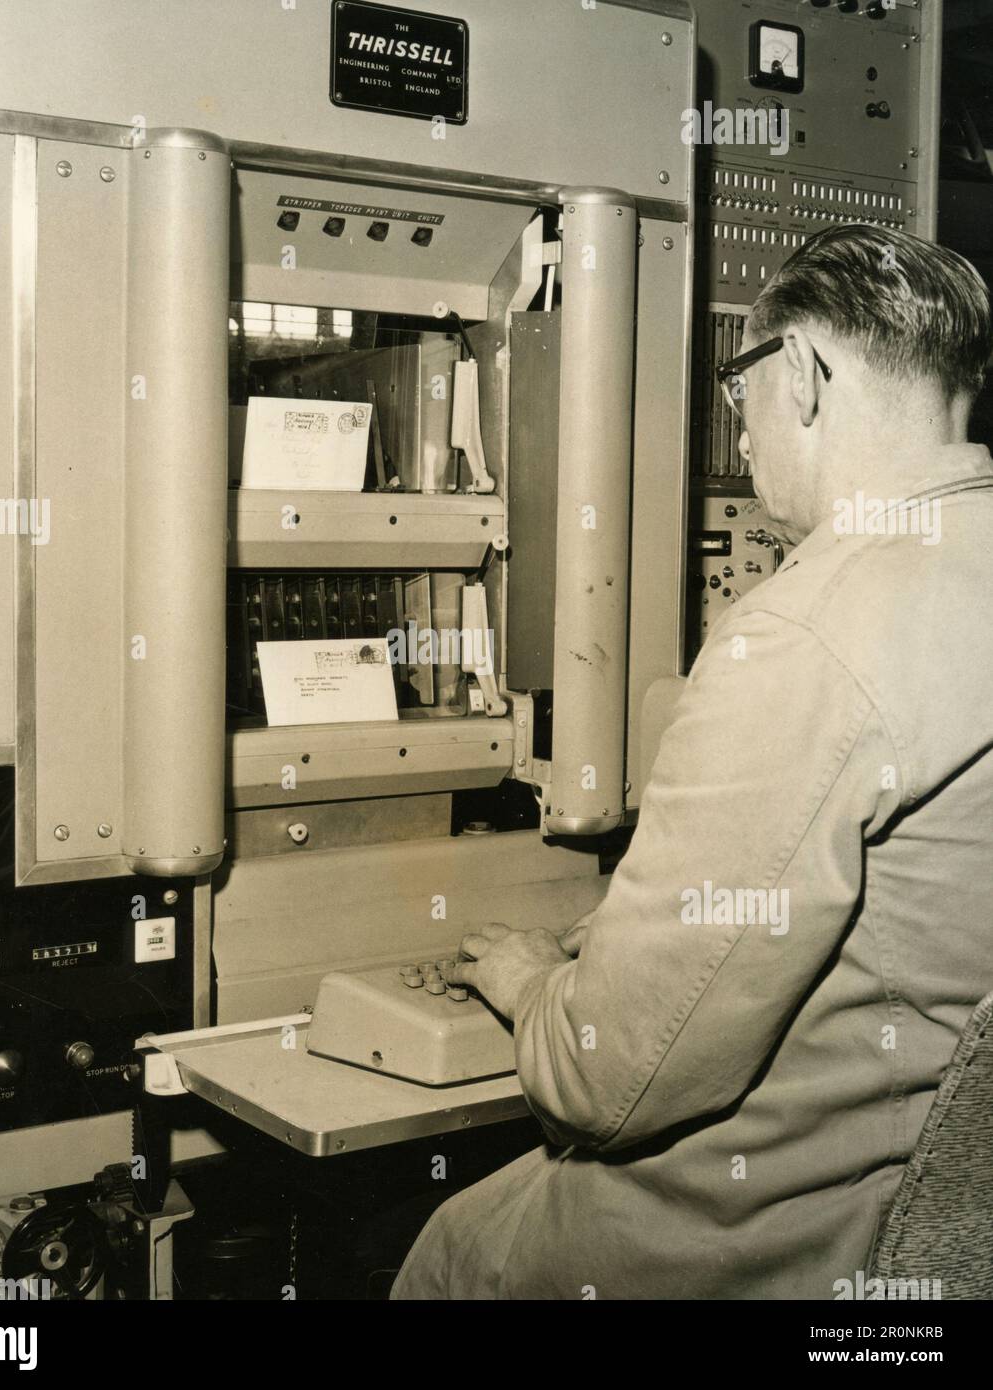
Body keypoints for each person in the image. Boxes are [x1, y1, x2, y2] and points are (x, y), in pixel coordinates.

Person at [392, 224, 993, 1300]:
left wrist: (534, 981)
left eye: (739, 386)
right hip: (949, 1235)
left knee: (455, 1246)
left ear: (803, 374)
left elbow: (609, 1080)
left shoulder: (804, 634)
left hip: (786, 1241)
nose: (743, 429)